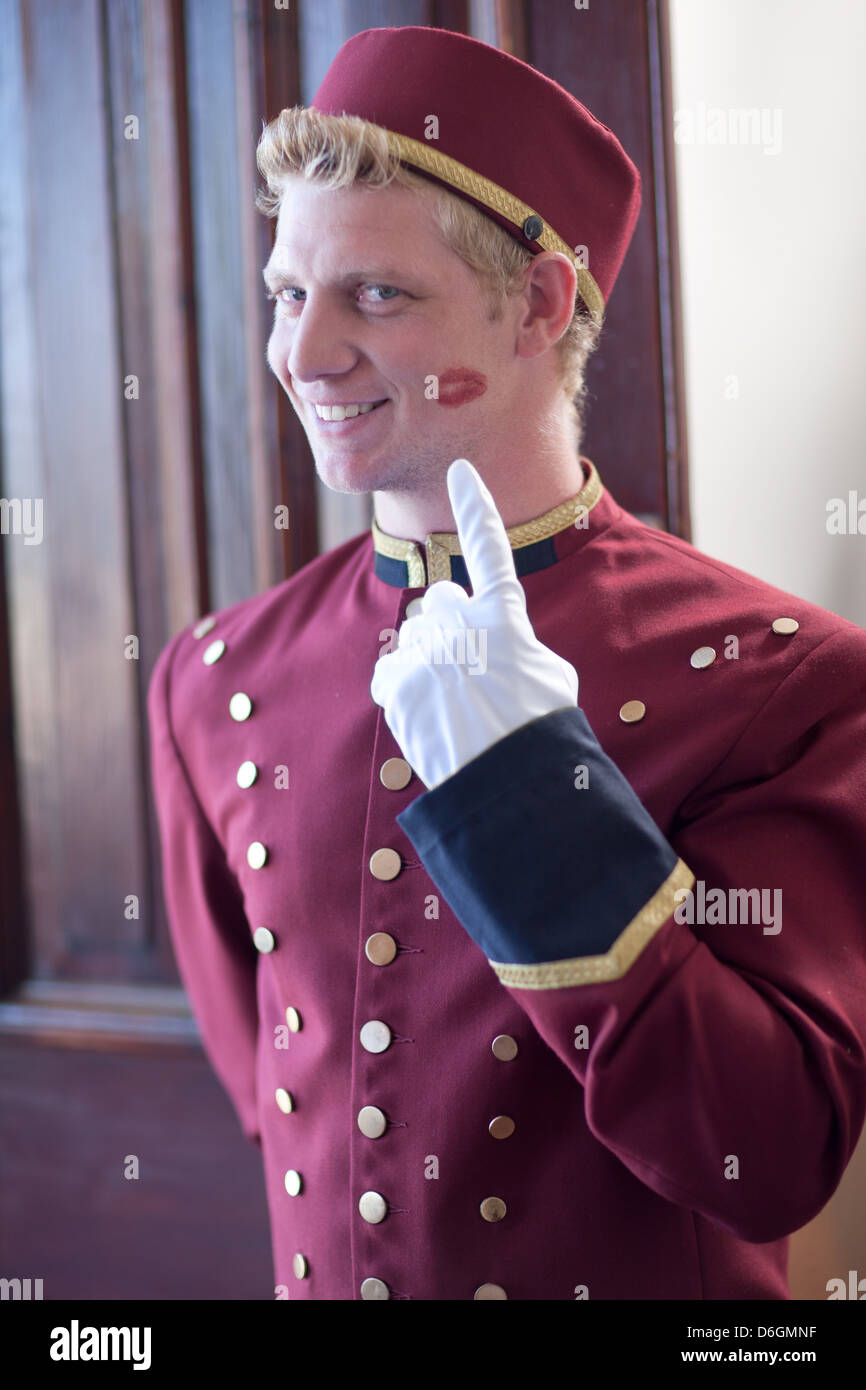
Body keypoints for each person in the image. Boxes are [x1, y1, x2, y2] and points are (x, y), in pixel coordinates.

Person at [147, 25, 866, 1300]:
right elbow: (279, 1096)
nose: (302, 357)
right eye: (286, 294)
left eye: (376, 295)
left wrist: (533, 793)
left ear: (536, 304)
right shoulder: (214, 678)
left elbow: (768, 1152)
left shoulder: (781, 682)